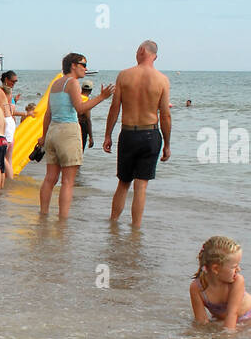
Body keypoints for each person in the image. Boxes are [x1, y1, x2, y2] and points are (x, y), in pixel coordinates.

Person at [103, 40, 171, 228]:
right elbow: (165, 115)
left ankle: (113, 224)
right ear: (155, 57)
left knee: (123, 183)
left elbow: (115, 107)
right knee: (141, 186)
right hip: (150, 134)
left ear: (141, 51)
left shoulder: (124, 76)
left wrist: (107, 135)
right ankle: (136, 229)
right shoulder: (162, 80)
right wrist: (167, 144)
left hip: (128, 134)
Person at [37, 54, 113, 218]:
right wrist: (102, 97)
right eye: (83, 64)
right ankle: (62, 220)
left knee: (50, 178)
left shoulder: (56, 84)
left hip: (53, 131)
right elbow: (80, 108)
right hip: (68, 131)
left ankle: (43, 215)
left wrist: (43, 136)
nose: (86, 68)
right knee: (68, 181)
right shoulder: (72, 83)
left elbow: (48, 113)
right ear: (73, 65)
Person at [190, 237, 251, 329]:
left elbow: (232, 314)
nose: (238, 269)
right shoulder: (197, 287)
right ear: (215, 268)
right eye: (234, 267)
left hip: (247, 318)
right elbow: (201, 321)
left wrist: (227, 336)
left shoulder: (237, 282)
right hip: (224, 320)